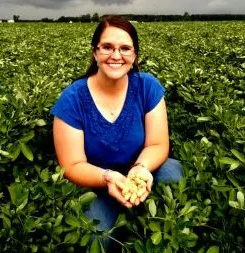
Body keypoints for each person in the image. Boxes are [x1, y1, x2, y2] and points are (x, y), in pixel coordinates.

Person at [51, 14, 183, 245]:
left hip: (140, 168)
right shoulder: (72, 99)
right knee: (96, 236)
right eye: (107, 47)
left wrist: (141, 169)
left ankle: (147, 229)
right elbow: (72, 165)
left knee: (173, 174)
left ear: (134, 55)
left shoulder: (147, 86)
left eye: (125, 48)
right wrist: (108, 178)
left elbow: (158, 143)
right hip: (96, 181)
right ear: (95, 52)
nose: (116, 56)